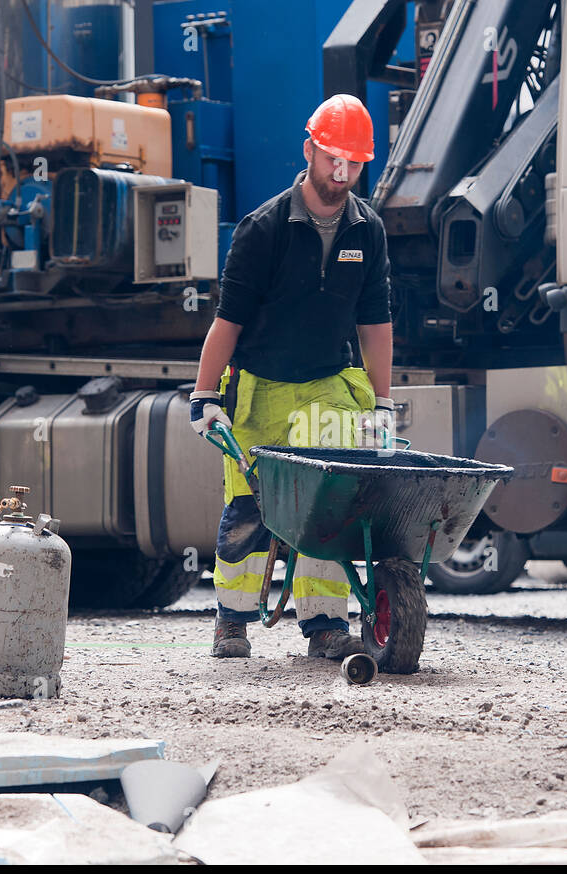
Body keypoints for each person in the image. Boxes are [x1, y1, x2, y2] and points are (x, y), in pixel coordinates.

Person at [190, 94, 395, 660]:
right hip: (262, 389)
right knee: (250, 512)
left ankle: (326, 626)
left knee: (327, 511)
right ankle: (231, 622)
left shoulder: (367, 232)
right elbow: (227, 321)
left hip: (329, 386)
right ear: (309, 150)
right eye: (333, 158)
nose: (342, 172)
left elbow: (375, 323)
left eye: (354, 163)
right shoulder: (264, 229)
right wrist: (206, 394)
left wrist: (382, 402)